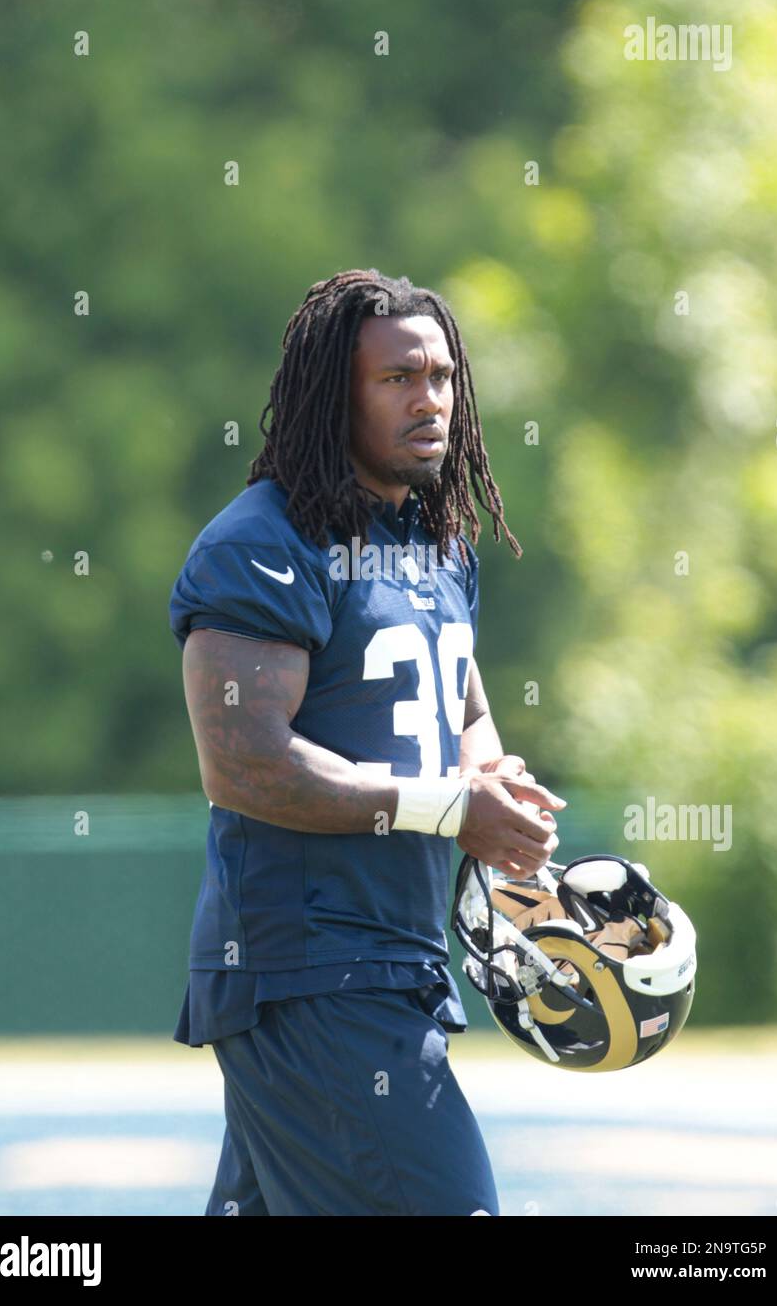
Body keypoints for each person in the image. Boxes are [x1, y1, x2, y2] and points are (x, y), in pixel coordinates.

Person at [169, 267, 565, 1216]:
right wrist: (451, 809)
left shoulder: (439, 541)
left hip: (393, 959)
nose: (429, 398)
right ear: (331, 395)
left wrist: (495, 795)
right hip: (310, 970)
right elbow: (246, 765)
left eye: (440, 375)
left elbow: (462, 714)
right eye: (397, 379)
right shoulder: (261, 544)